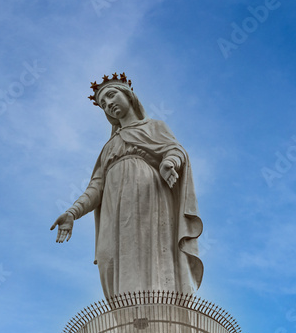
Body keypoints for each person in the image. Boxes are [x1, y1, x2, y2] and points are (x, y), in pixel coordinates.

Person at [50, 73, 203, 299]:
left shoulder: (154, 126)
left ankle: (157, 307)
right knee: (108, 257)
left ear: (129, 96)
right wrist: (73, 212)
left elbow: (174, 150)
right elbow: (96, 186)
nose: (109, 104)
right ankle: (126, 318)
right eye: (103, 104)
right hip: (114, 211)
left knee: (147, 253)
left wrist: (169, 163)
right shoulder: (110, 146)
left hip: (148, 199)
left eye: (112, 95)